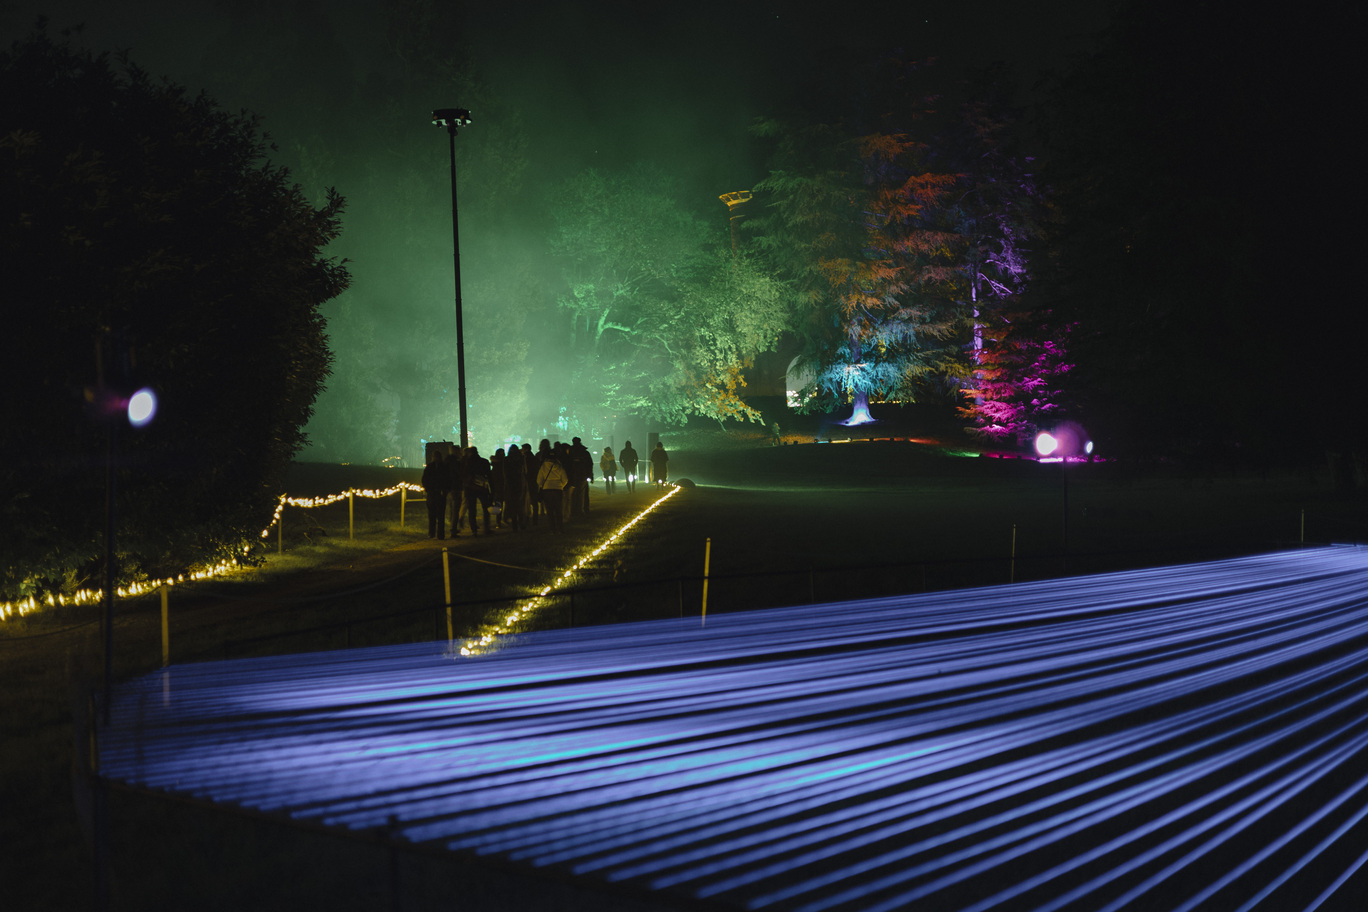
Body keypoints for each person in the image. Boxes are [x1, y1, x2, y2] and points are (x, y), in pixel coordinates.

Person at [535, 447, 569, 533]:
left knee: (549, 511)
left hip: (547, 490)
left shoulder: (543, 466)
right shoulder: (559, 466)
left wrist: (543, 485)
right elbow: (565, 479)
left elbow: (539, 480)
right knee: (558, 510)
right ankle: (560, 528)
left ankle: (552, 528)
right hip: (558, 490)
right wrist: (560, 485)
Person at [462, 445, 494, 535]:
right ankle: (486, 528)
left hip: (470, 488)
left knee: (472, 510)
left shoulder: (466, 463)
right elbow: (489, 476)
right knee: (486, 508)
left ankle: (474, 530)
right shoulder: (484, 462)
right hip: (482, 488)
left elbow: (463, 476)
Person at [421, 449, 449, 539]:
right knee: (441, 515)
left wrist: (427, 489)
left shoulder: (429, 467)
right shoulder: (444, 467)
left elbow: (424, 479)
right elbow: (448, 480)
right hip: (440, 492)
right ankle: (440, 534)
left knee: (432, 514)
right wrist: (445, 490)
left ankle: (431, 533)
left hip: (432, 493)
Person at [568, 436, 594, 516]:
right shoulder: (585, 452)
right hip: (583, 476)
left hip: (572, 476)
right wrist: (590, 476)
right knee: (584, 494)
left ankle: (573, 510)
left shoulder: (570, 452)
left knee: (573, 495)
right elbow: (590, 465)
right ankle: (584, 509)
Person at [503, 443, 526, 532]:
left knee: (512, 506)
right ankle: (522, 524)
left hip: (510, 485)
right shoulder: (520, 459)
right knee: (520, 505)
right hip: (519, 484)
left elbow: (505, 473)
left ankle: (514, 525)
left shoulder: (506, 460)